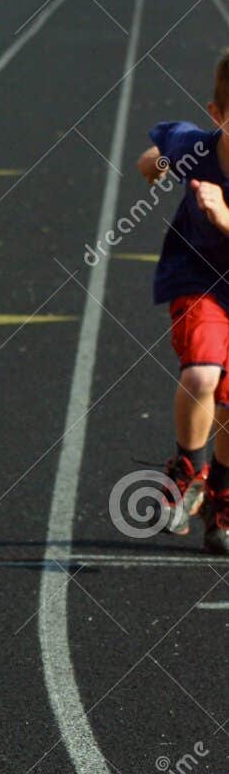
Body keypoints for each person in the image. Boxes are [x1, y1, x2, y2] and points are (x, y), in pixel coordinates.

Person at [138, 50, 229, 553]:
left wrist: (222, 218)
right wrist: (154, 168)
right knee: (200, 375)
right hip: (197, 279)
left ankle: (222, 497)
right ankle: (186, 473)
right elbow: (156, 158)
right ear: (217, 116)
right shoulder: (198, 145)